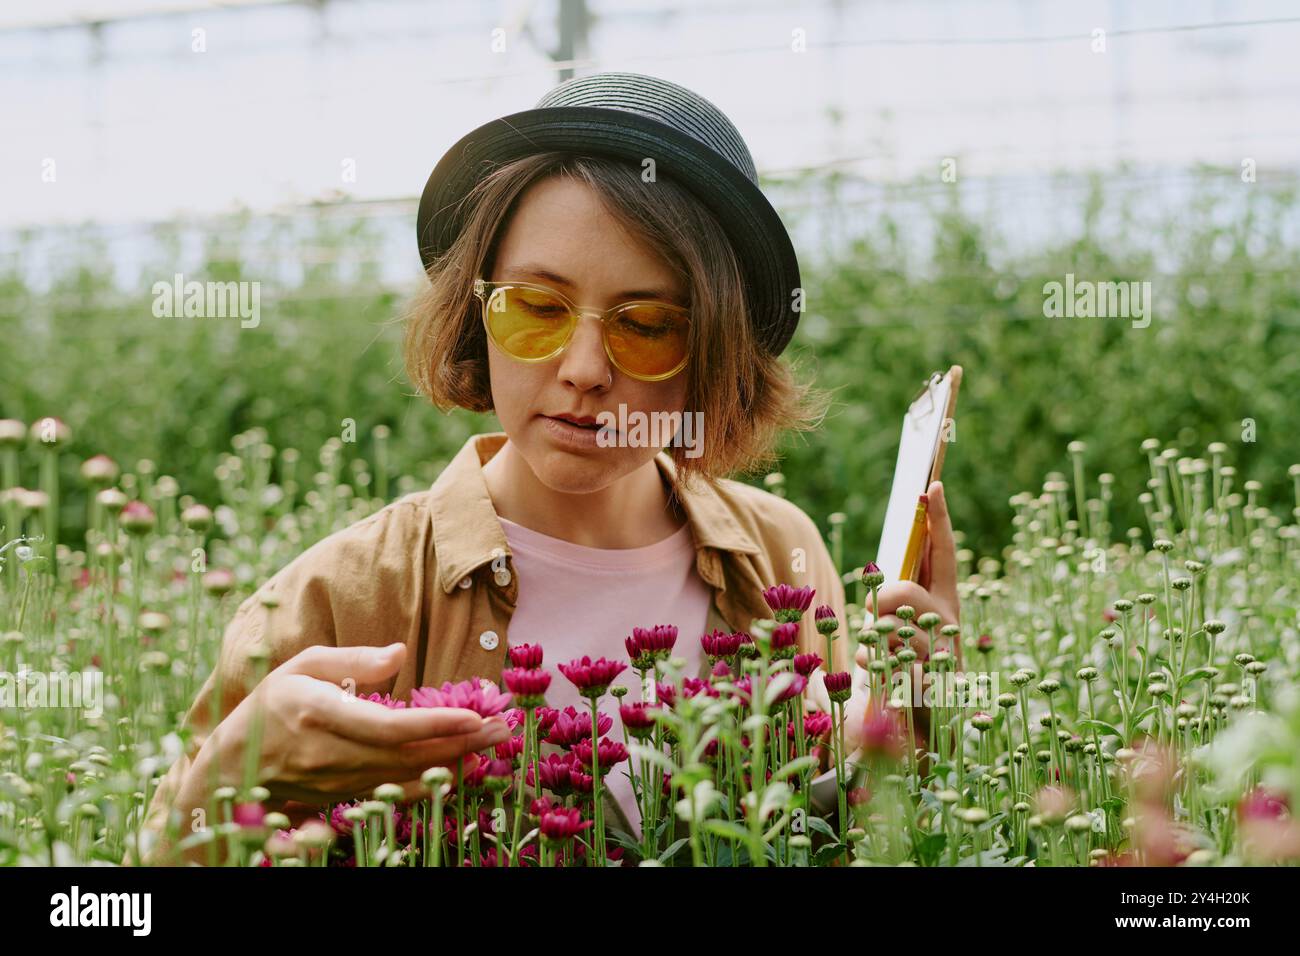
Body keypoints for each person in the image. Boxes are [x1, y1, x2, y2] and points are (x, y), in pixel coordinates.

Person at [137, 71, 959, 865]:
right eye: (537, 308)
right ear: (476, 308)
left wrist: (917, 721)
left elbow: (836, 828)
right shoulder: (347, 596)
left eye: (647, 324)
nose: (585, 368)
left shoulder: (779, 551)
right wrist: (219, 784)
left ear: (715, 353)